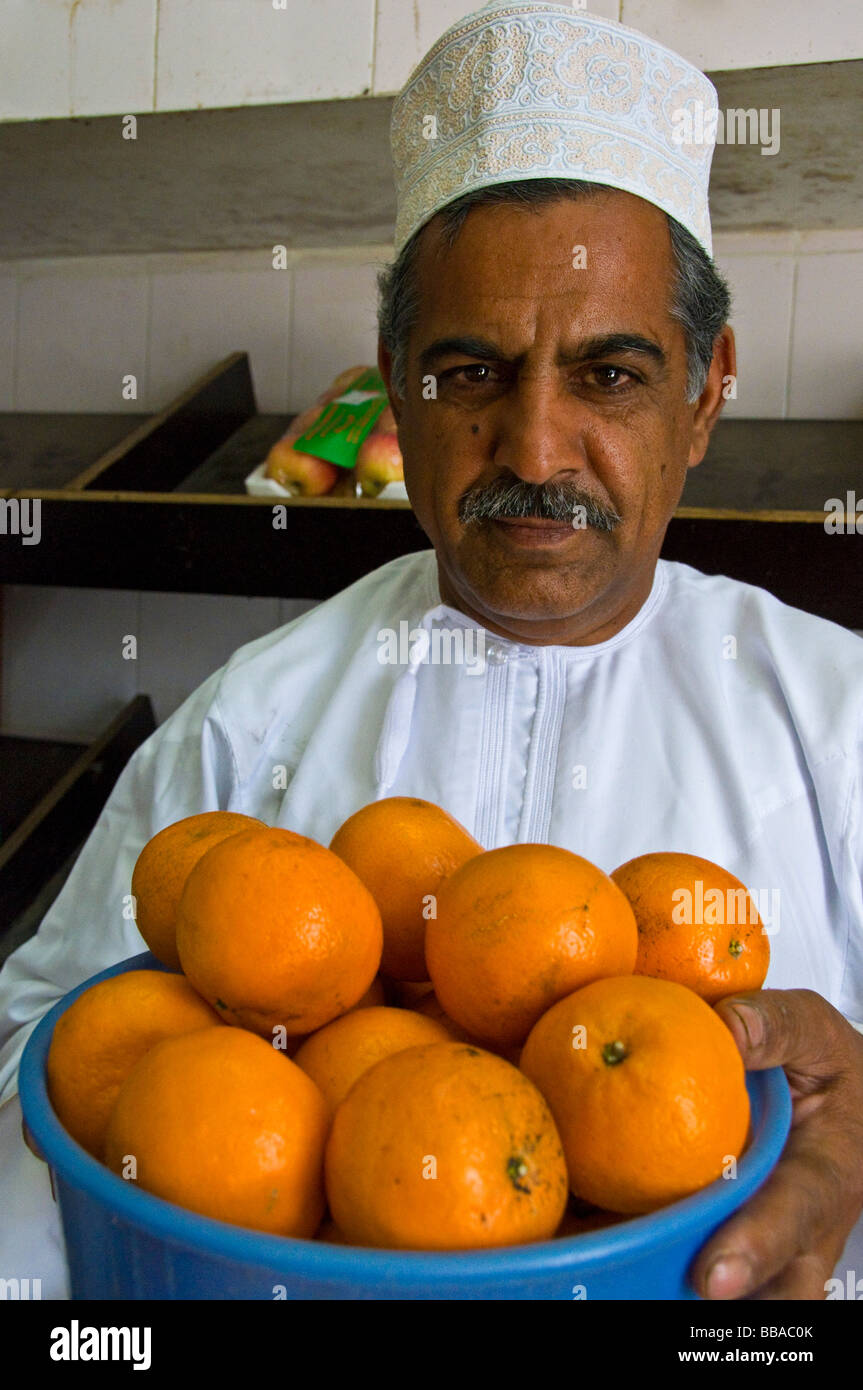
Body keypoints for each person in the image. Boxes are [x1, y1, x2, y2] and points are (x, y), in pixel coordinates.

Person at [2, 0, 862, 1301]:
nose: (533, 448)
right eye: (471, 373)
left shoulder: (839, 719)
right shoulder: (252, 722)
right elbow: (40, 1058)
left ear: (706, 391)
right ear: (397, 389)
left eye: (612, 375)